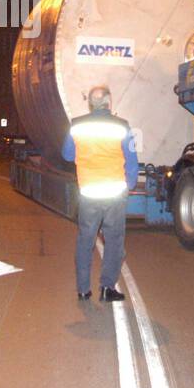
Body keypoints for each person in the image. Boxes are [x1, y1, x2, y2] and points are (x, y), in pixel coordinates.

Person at [63, 85, 138, 303]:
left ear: (90, 104)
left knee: (85, 241)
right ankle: (107, 288)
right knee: (113, 242)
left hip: (88, 193)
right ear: (109, 102)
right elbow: (132, 161)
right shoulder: (122, 126)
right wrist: (128, 186)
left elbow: (67, 155)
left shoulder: (76, 125)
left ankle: (83, 291)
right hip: (115, 194)